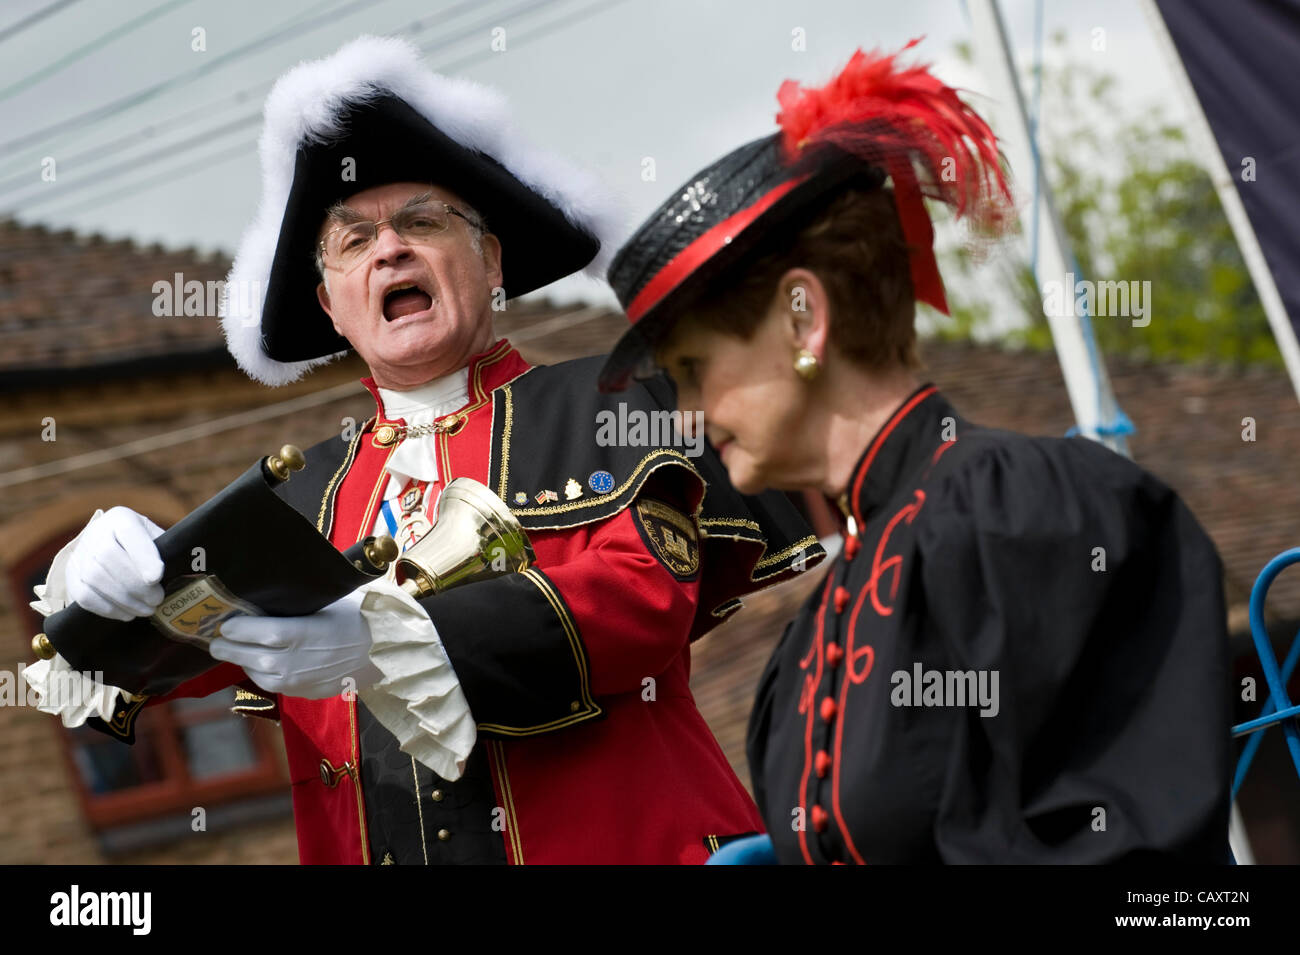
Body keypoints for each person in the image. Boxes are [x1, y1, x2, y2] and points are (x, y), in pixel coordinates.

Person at [25, 36, 824, 865]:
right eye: (353, 241)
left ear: (491, 262)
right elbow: (118, 681)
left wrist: (390, 637)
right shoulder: (302, 496)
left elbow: (643, 599)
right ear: (331, 306)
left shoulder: (611, 400)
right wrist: (101, 586)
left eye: (422, 221)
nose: (390, 249)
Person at [598, 41, 1232, 863]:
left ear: (803, 319)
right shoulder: (808, 642)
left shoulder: (1029, 508)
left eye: (693, 370)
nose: (684, 415)